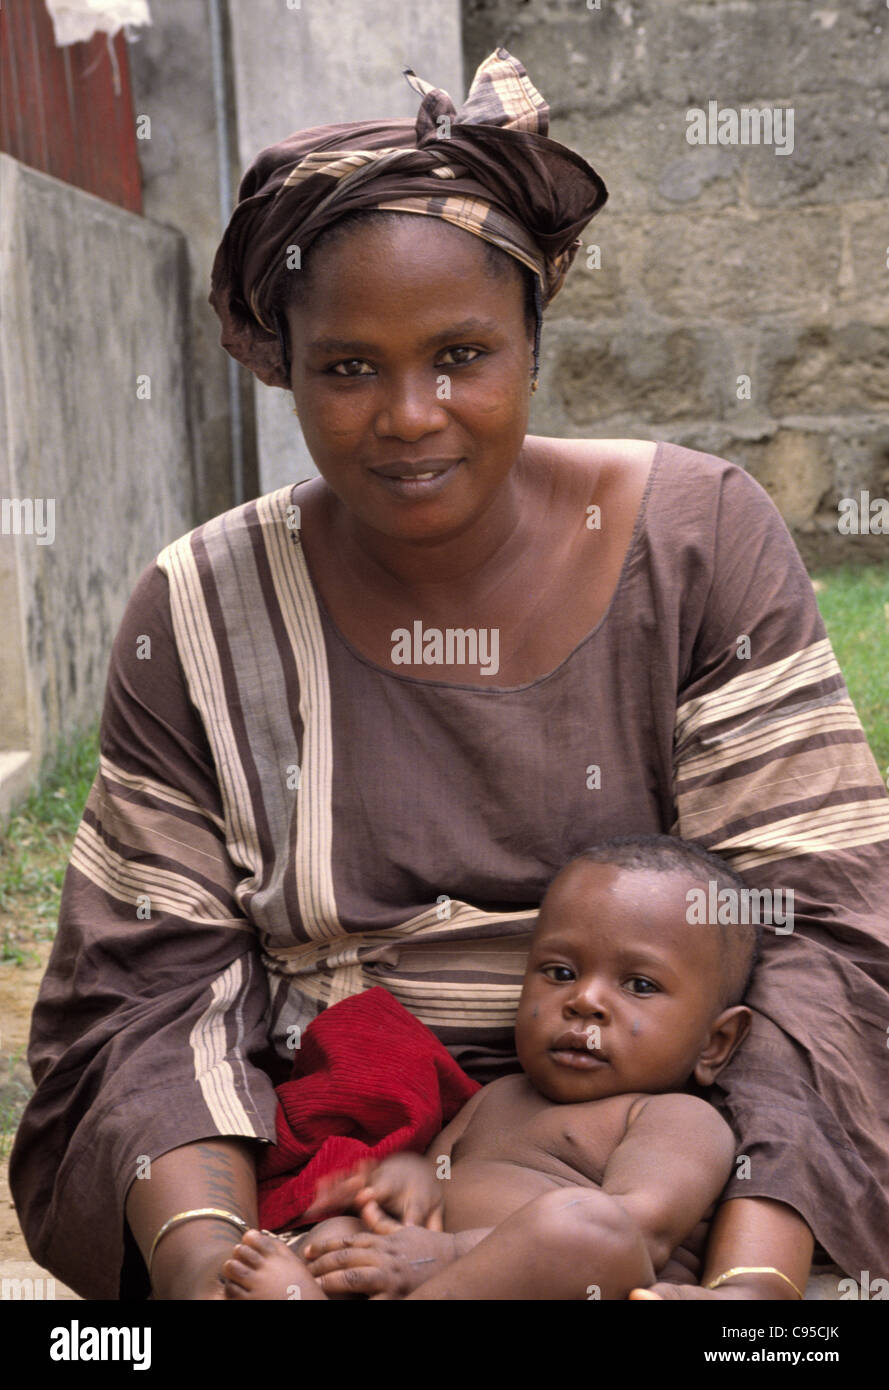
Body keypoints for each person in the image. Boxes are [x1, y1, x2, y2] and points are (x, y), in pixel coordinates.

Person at [10, 48, 889, 1302]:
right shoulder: (205, 606)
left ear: (534, 340)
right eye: (348, 367)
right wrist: (217, 1259)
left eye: (461, 355)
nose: (409, 415)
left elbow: (815, 930)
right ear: (284, 369)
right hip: (326, 1176)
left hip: (666, 1171)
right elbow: (145, 993)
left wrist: (741, 1288)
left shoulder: (695, 544)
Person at [221, 835, 761, 1301]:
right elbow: (437, 1188)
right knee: (334, 1237)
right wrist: (405, 1183)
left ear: (715, 1043)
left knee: (584, 1225)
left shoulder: (677, 1119)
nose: (585, 1001)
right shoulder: (496, 1097)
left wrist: (445, 1253)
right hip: (421, 1277)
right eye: (559, 971)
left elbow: (636, 1234)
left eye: (640, 985)